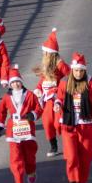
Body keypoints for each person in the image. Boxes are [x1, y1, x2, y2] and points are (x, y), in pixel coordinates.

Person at [54, 53, 92, 183]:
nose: (79, 73)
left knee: (85, 158)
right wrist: (57, 103)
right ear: (72, 69)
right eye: (76, 70)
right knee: (71, 158)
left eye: (81, 71)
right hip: (69, 125)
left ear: (85, 70)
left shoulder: (91, 83)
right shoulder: (64, 82)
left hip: (86, 125)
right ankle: (73, 182)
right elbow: (59, 97)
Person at [0, 67, 40, 183]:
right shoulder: (6, 97)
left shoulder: (30, 95)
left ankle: (31, 171)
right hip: (13, 131)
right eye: (13, 82)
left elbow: (38, 108)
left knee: (29, 156)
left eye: (18, 81)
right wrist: (0, 124)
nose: (16, 84)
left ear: (21, 81)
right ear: (10, 84)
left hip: (27, 130)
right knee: (16, 159)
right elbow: (1, 111)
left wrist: (33, 115)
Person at [34, 28, 69, 159]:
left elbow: (70, 76)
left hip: (57, 98)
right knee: (47, 123)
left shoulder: (60, 65)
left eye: (45, 53)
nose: (43, 55)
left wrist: (61, 88)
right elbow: (42, 80)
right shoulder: (45, 65)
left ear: (51, 54)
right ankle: (53, 146)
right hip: (46, 100)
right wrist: (38, 89)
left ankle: (68, 141)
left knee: (58, 123)